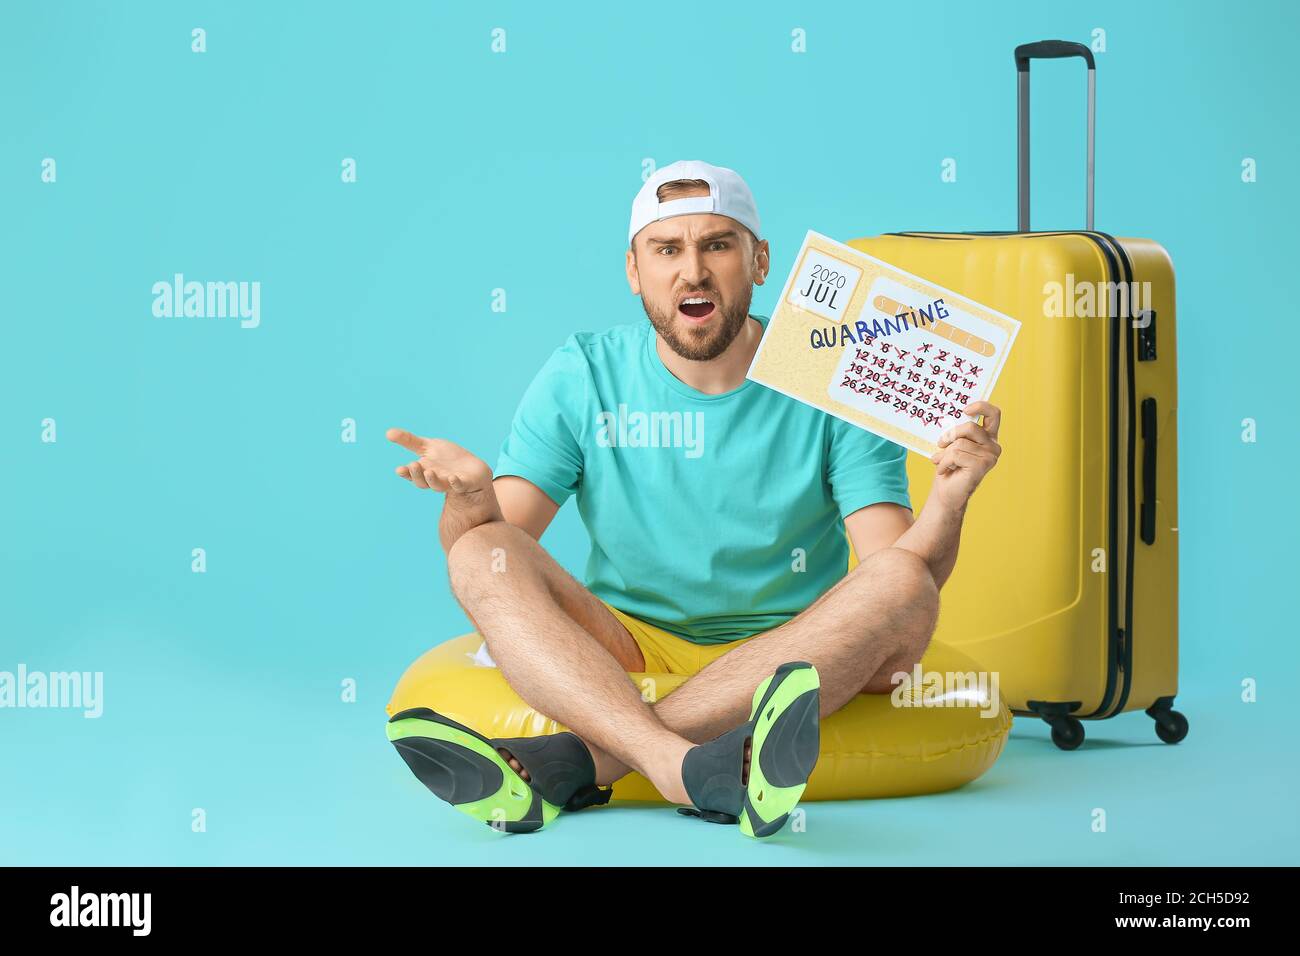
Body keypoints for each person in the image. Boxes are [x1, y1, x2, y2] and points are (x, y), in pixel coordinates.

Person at [384, 160, 1003, 837]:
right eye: (667, 249)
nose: (693, 272)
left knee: (906, 584)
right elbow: (493, 558)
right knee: (481, 550)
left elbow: (899, 574)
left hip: (796, 651)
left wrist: (950, 498)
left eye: (717, 245)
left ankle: (579, 761)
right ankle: (688, 766)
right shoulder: (584, 373)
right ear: (633, 269)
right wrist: (470, 500)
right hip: (631, 646)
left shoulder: (832, 372)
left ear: (759, 261)